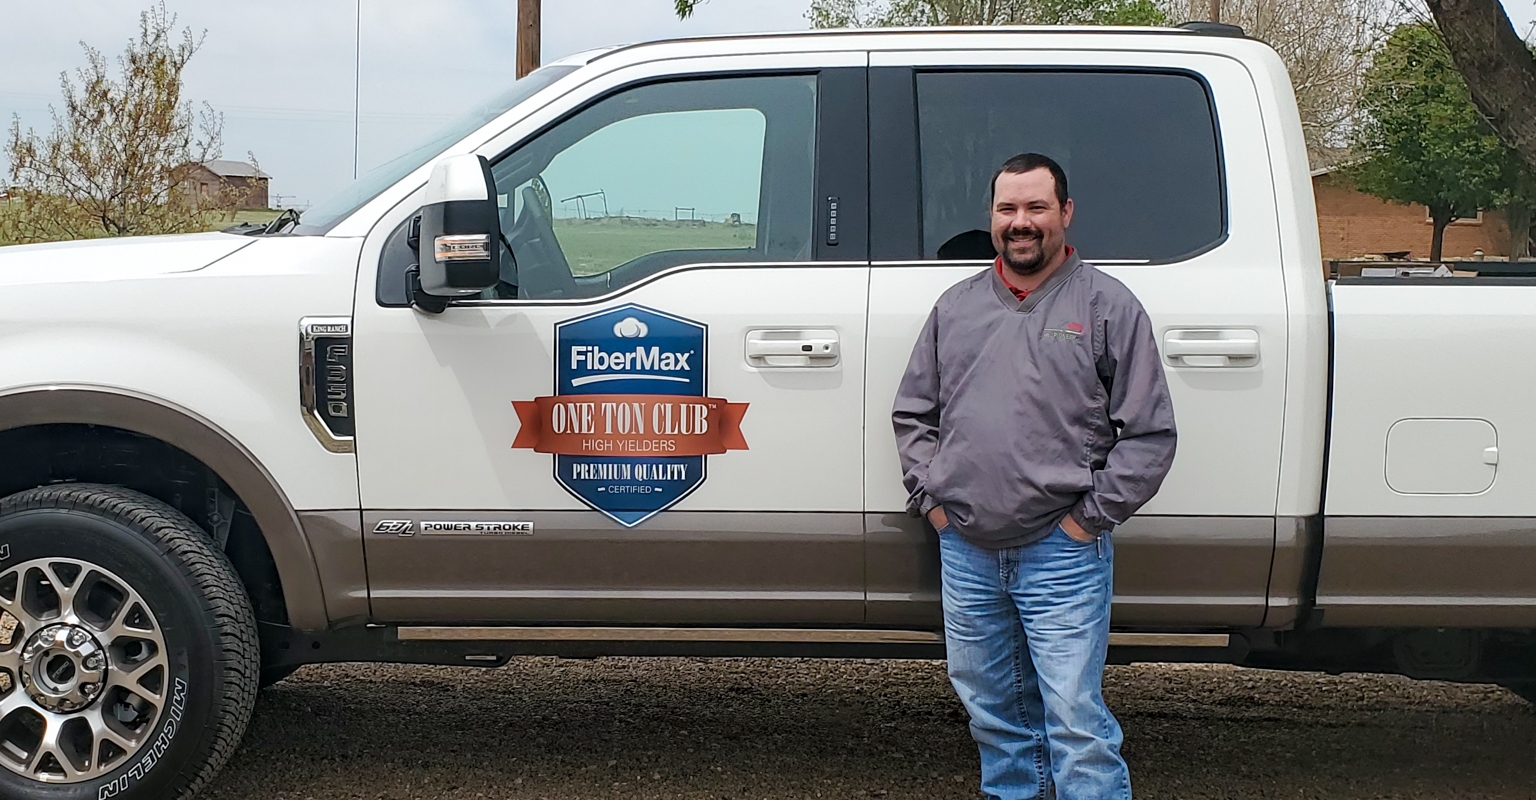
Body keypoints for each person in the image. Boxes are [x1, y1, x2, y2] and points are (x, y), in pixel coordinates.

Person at [892, 153, 1177, 800]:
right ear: (992, 218)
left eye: (1036, 208)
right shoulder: (956, 307)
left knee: (1076, 722)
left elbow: (1151, 434)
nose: (1021, 223)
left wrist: (1086, 522)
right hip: (966, 549)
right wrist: (933, 501)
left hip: (1063, 551)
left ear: (1065, 214)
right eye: (1008, 209)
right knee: (995, 717)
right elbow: (914, 413)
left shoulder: (1107, 306)